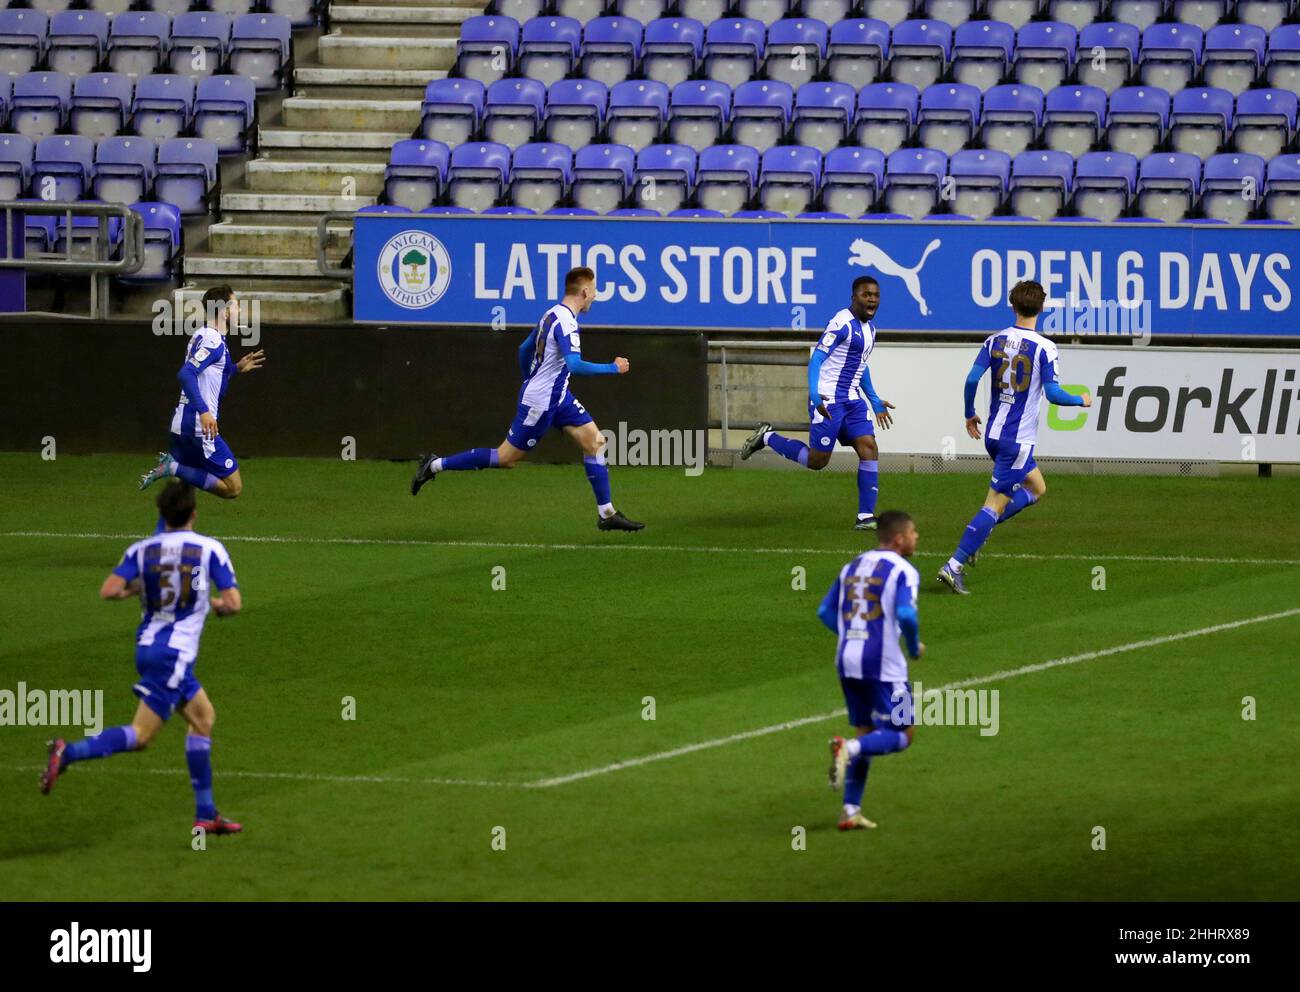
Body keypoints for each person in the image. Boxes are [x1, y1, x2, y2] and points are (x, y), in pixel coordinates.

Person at [40, 480, 244, 835]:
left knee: (203, 717)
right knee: (142, 736)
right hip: (174, 656)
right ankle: (67, 752)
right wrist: (214, 607)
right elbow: (233, 603)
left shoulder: (142, 550)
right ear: (193, 512)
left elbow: (110, 591)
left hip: (148, 648)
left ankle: (206, 814)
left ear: (161, 515)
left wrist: (143, 589)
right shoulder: (209, 549)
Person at [410, 266, 644, 531]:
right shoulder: (567, 323)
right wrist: (613, 368)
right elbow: (575, 365)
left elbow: (524, 349)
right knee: (504, 458)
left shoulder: (550, 314)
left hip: (557, 396)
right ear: (585, 291)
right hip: (542, 402)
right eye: (595, 290)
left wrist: (528, 379)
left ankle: (607, 514)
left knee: (596, 442)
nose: (596, 296)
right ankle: (434, 464)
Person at [937, 280, 1092, 595]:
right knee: (994, 504)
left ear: (1012, 305)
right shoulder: (1045, 348)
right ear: (1043, 308)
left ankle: (978, 536)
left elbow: (971, 378)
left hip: (994, 434)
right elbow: (1054, 395)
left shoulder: (994, 340)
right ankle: (954, 565)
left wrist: (969, 412)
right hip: (1017, 440)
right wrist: (1081, 401)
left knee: (1037, 487)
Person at [739, 276, 896, 530]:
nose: (872, 300)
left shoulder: (871, 330)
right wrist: (814, 395)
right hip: (829, 399)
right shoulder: (841, 323)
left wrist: (875, 400)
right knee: (817, 461)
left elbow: (861, 366)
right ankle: (767, 438)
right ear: (854, 297)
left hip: (853, 401)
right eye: (866, 295)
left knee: (869, 448)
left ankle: (865, 517)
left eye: (876, 295)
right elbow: (817, 359)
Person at [820, 510, 923, 831]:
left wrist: (855, 633)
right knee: (903, 733)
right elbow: (906, 614)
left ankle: (850, 810)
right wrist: (914, 644)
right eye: (913, 532)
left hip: (846, 659)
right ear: (899, 538)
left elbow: (825, 611)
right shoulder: (904, 570)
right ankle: (846, 749)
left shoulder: (851, 565)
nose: (917, 537)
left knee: (867, 732)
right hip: (885, 665)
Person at [138, 286, 266, 504]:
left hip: (183, 424)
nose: (239, 312)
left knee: (183, 494)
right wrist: (205, 412)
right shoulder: (213, 341)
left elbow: (204, 375)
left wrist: (235, 368)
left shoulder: (202, 335)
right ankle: (173, 467)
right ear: (224, 312)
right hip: (199, 428)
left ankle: (171, 528)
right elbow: (186, 374)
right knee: (233, 487)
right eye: (235, 306)